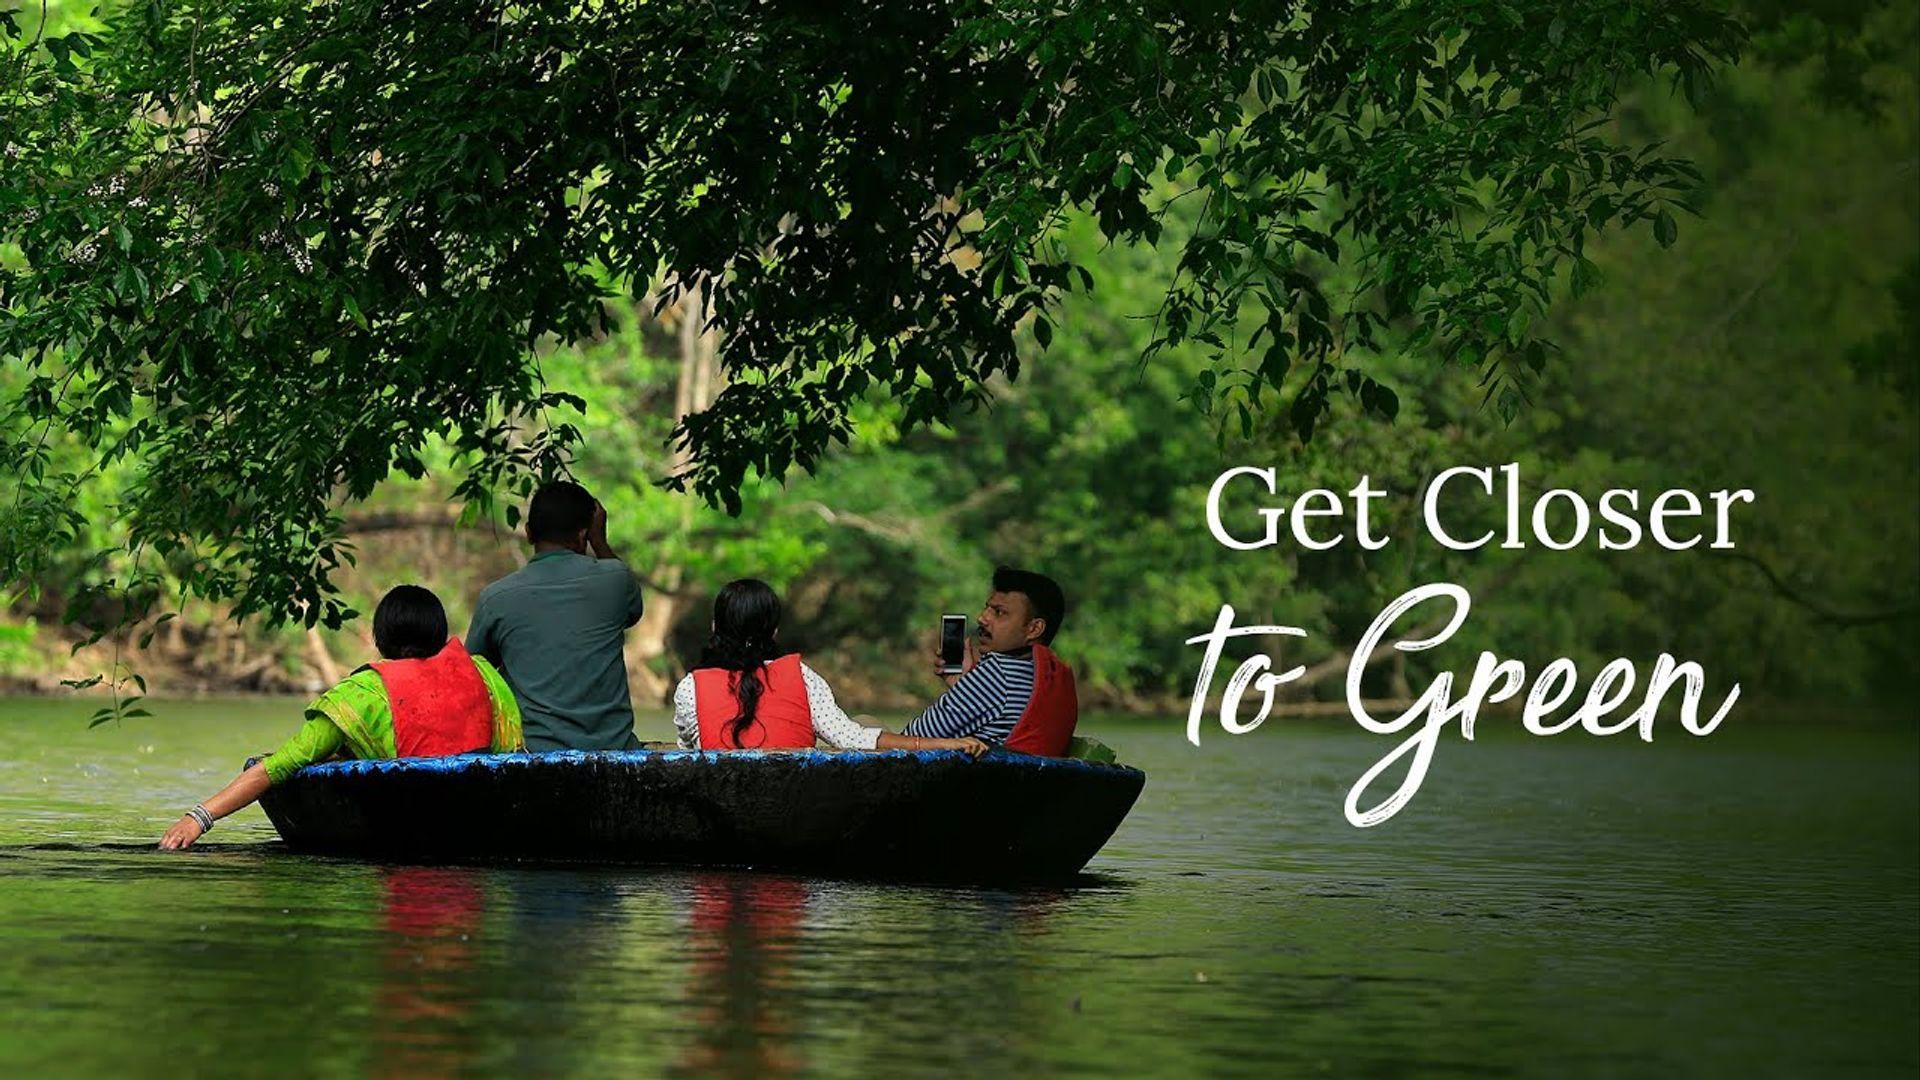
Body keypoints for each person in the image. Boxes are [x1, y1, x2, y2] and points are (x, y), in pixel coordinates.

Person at [159, 585, 523, 850]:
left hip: (401, 840)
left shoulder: (359, 695)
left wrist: (198, 818)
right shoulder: (482, 674)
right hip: (477, 826)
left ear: (379, 641)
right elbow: (512, 754)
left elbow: (276, 767)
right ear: (440, 637)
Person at [673, 579, 988, 756]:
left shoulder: (690, 687)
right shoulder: (802, 678)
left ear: (715, 627)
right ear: (774, 634)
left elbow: (687, 755)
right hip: (793, 804)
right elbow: (852, 737)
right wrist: (947, 744)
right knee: (863, 723)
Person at [466, 481, 647, 751]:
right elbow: (633, 610)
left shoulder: (496, 597)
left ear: (528, 533)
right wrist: (600, 542)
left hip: (532, 753)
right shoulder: (616, 579)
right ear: (584, 534)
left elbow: (473, 672)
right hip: (613, 750)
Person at [902, 566, 1080, 755]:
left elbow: (913, 738)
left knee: (867, 725)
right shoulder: (1050, 677)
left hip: (973, 781)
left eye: (999, 612)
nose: (982, 618)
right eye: (986, 608)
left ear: (1034, 629)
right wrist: (964, 684)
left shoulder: (996, 675)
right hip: (1022, 780)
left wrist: (974, 684)